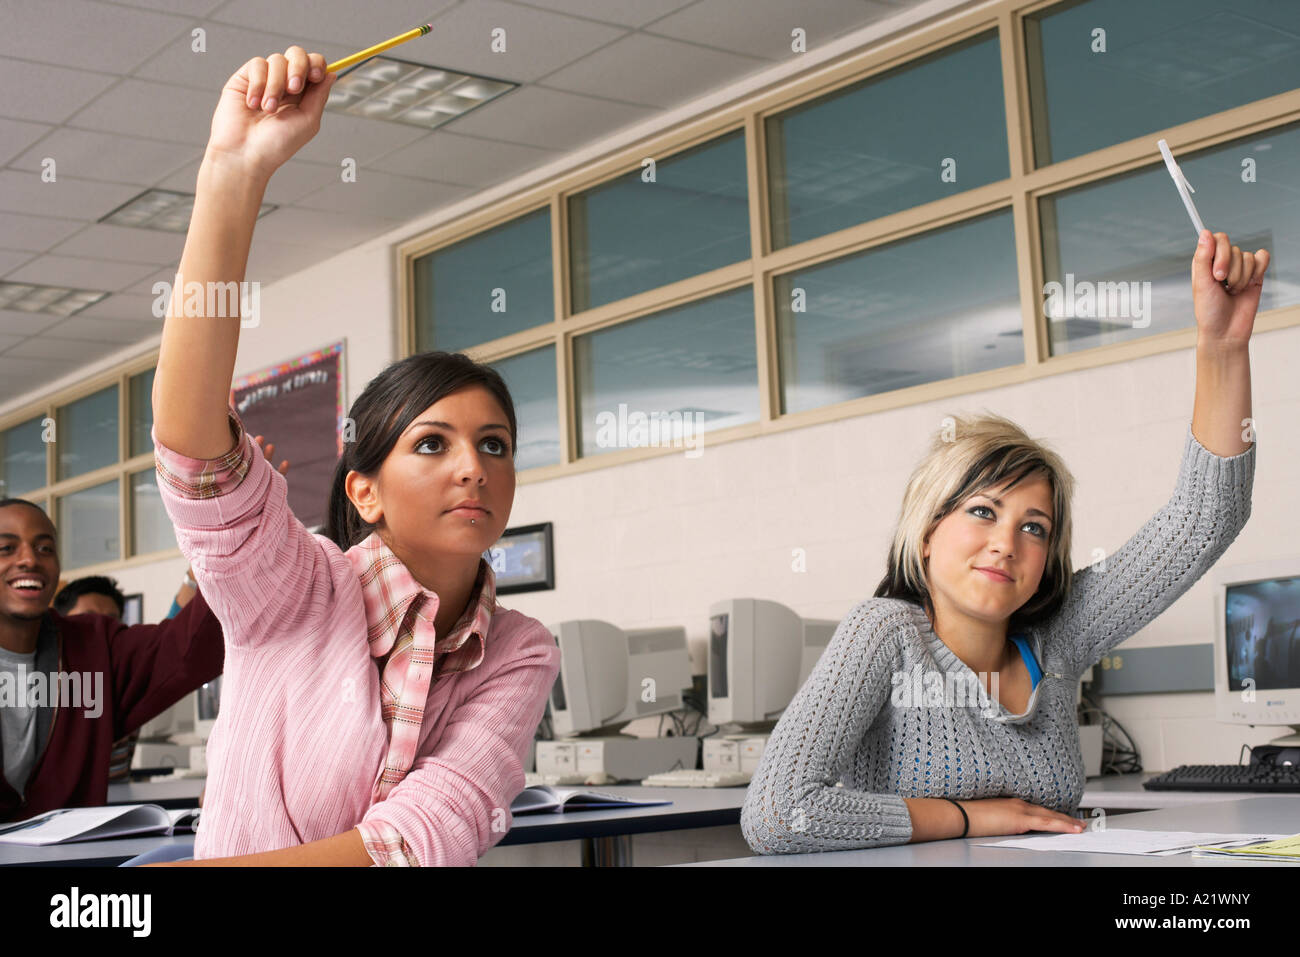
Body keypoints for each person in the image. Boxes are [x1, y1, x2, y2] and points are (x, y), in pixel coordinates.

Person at [147, 46, 560, 866]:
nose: (473, 467)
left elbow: (422, 835)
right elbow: (193, 443)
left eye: (495, 445)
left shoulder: (519, 648)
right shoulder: (294, 589)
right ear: (364, 491)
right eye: (432, 443)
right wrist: (233, 173)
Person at [741, 228, 1269, 853]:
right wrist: (974, 816)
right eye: (984, 511)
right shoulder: (884, 633)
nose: (1006, 544)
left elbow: (1205, 518)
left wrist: (1223, 345)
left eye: (1033, 527)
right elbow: (778, 815)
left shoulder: (1059, 637)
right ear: (928, 533)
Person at [0, 499, 225, 822]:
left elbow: (187, 650)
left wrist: (231, 532)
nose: (29, 559)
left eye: (45, 548)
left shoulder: (94, 646)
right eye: (6, 548)